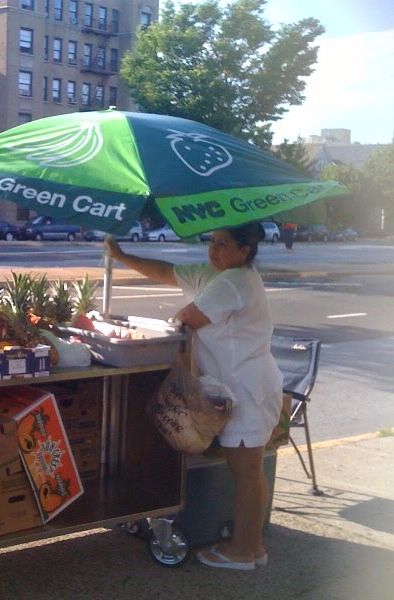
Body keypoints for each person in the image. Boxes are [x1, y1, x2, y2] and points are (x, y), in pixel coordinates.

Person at [105, 222, 283, 571]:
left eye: (223, 244)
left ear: (245, 251)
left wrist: (173, 320)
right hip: (241, 384)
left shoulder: (237, 280)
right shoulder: (214, 274)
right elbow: (166, 272)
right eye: (211, 241)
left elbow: (187, 318)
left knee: (246, 472)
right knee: (249, 471)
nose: (213, 250)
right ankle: (254, 546)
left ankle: (243, 551)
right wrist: (122, 256)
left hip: (248, 387)